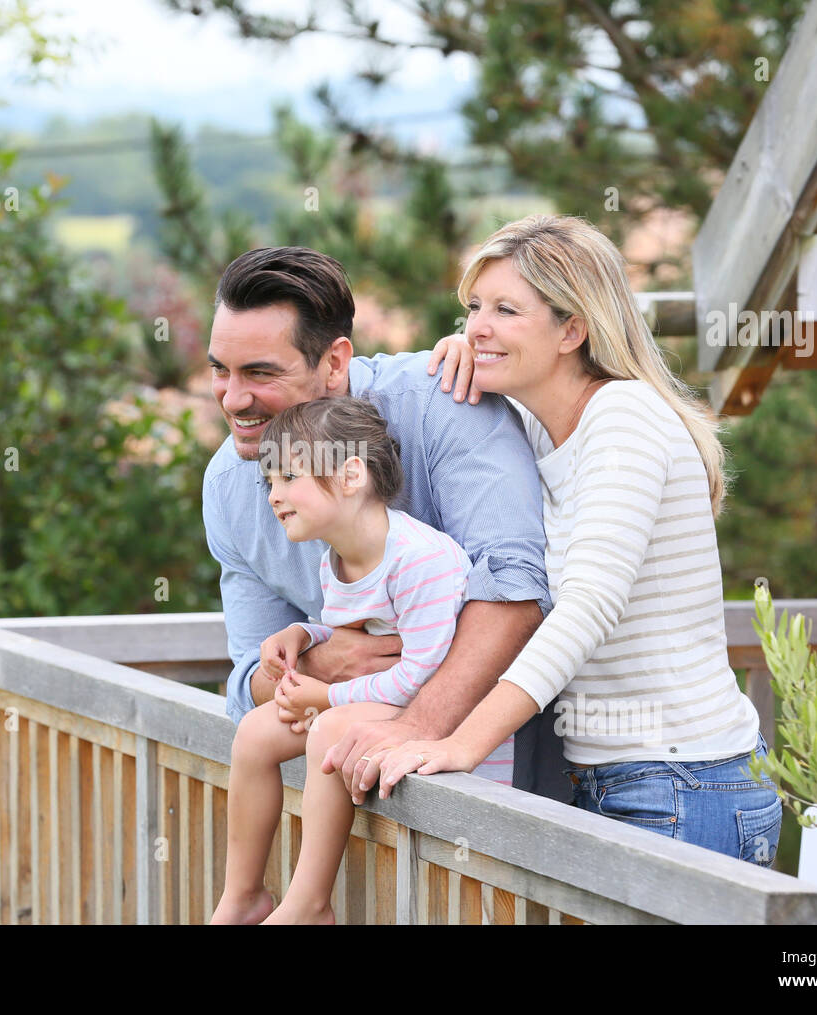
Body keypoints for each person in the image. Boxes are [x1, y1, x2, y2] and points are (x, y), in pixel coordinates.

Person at [363, 214, 781, 867]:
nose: (478, 326)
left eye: (506, 309)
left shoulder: (626, 418)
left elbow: (586, 607)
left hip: (685, 780)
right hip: (609, 779)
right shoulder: (537, 426)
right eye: (473, 307)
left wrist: (458, 741)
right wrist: (453, 348)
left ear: (573, 329)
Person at [202, 246, 570, 806]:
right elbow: (248, 677)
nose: (233, 399)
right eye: (219, 370)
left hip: (509, 800)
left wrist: (416, 724)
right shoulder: (228, 485)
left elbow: (515, 588)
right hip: (354, 799)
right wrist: (316, 661)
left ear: (334, 362)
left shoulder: (444, 403)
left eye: (260, 373)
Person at [211, 396, 477, 924]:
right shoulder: (338, 560)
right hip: (382, 700)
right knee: (256, 733)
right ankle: (244, 896)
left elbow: (424, 677)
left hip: (440, 714)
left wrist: (327, 695)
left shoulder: (420, 558)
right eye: (269, 482)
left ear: (351, 474)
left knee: (328, 729)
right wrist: (302, 635)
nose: (274, 495)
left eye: (288, 476)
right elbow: (351, 631)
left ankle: (308, 904)